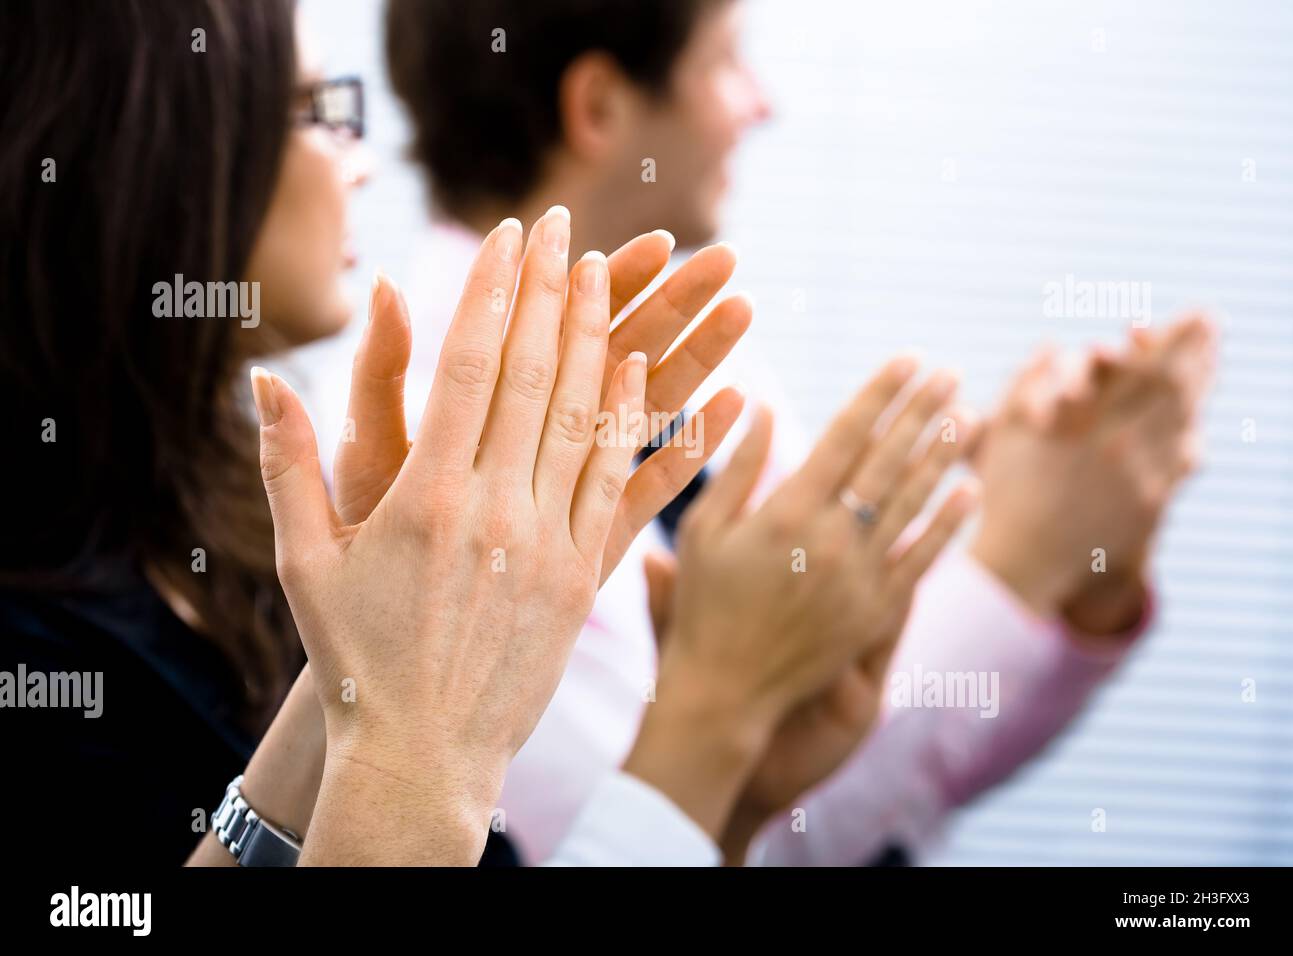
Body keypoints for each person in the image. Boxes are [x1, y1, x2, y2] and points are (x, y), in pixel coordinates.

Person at [0, 0, 976, 867]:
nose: (364, 158)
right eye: (315, 109)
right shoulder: (42, 652)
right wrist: (709, 714)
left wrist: (741, 785)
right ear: (141, 153)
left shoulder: (234, 534)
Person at [374, 0, 1218, 864]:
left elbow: (831, 722)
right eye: (726, 61)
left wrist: (1062, 545)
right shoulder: (429, 454)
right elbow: (699, 833)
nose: (761, 103)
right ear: (600, 107)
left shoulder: (696, 362)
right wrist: (1020, 564)